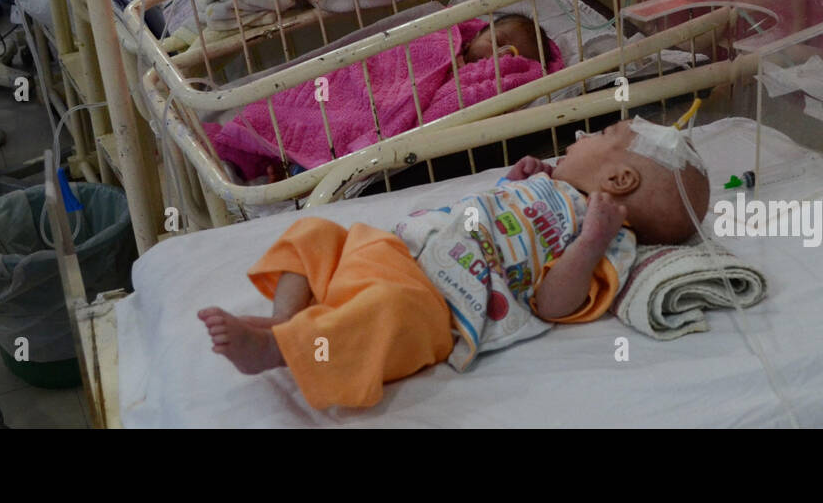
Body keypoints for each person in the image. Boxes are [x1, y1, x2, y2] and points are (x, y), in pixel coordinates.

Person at [199, 118, 711, 410]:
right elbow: (500, 218)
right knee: (316, 231)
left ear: (620, 180)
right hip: (394, 248)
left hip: (439, 300)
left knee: (389, 310)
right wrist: (519, 181)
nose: (579, 139)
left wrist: (592, 241)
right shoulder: (550, 185)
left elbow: (555, 302)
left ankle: (279, 348)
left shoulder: (607, 238)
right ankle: (287, 316)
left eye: (599, 137)